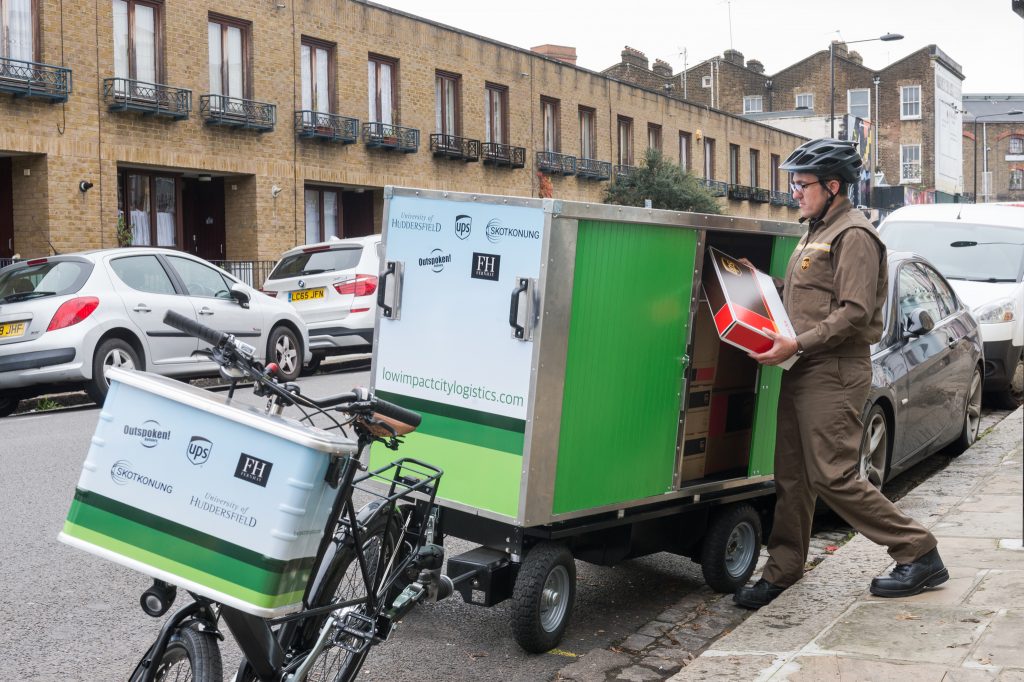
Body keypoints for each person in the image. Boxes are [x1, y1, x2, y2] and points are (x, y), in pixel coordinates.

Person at [733, 138, 948, 610]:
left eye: (802, 184)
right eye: (793, 183)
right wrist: (761, 283)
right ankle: (784, 570)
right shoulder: (816, 230)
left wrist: (797, 344)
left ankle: (918, 551)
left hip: (833, 370)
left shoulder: (854, 236)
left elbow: (854, 312)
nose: (794, 192)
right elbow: (809, 299)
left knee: (833, 475)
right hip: (804, 366)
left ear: (833, 186)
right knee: (792, 475)